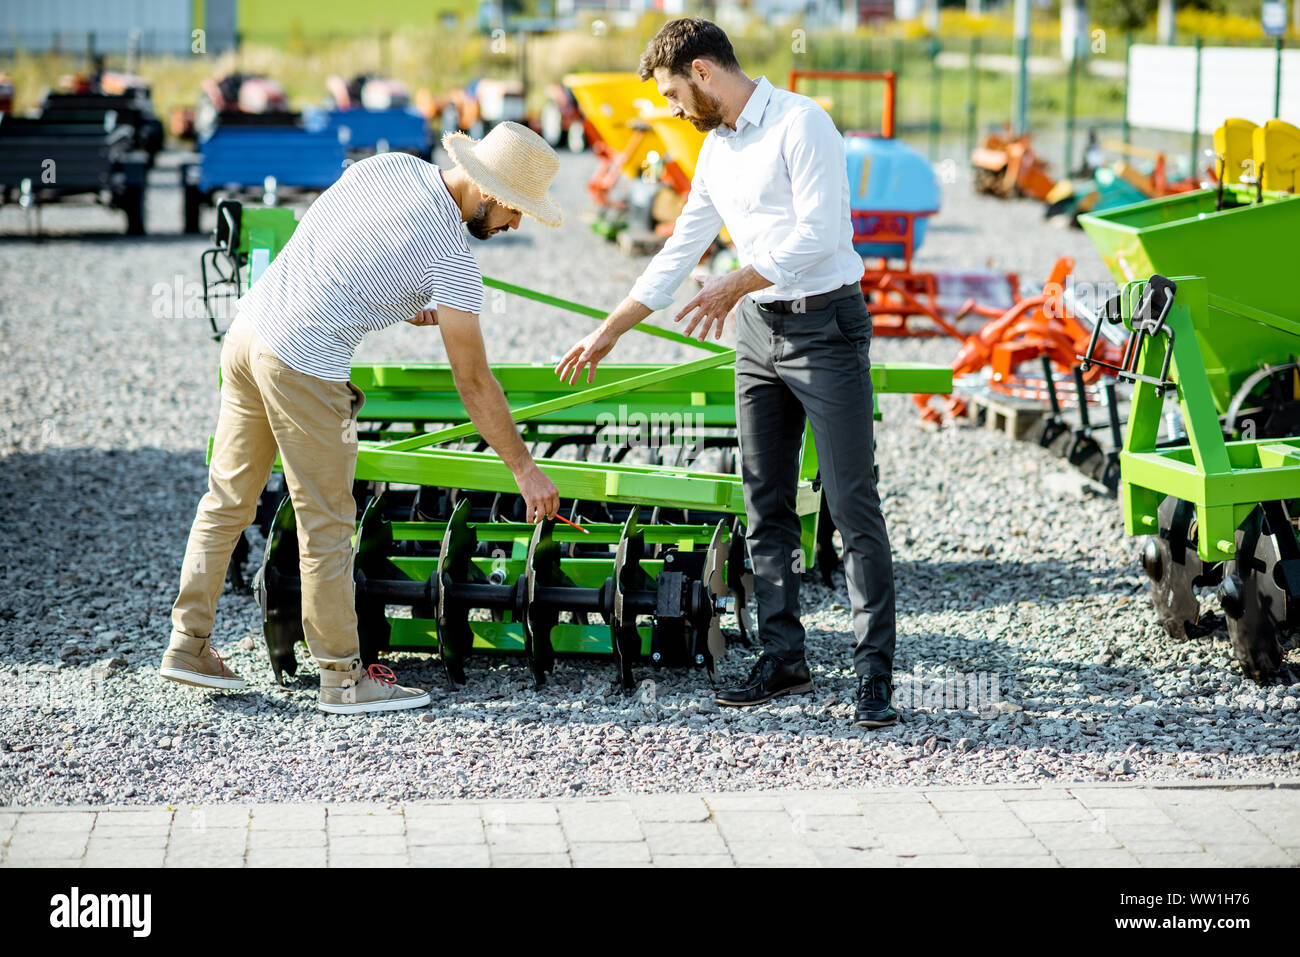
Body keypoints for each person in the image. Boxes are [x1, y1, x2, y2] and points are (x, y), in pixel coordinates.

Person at [554, 19, 899, 727]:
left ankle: (873, 676)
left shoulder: (804, 124)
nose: (675, 109)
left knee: (851, 502)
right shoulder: (715, 147)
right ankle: (785, 658)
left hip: (826, 327)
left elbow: (822, 231)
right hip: (756, 333)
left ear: (705, 73)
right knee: (763, 503)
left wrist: (737, 281)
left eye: (676, 93)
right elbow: (681, 247)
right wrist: (610, 330)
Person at [161, 122, 564, 714]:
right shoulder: (452, 258)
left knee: (226, 499)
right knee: (325, 521)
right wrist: (525, 469)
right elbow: (474, 383)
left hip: (250, 333)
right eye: (516, 212)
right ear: (490, 193)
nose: (514, 226)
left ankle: (187, 645)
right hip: (303, 362)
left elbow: (341, 243)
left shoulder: (392, 166)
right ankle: (343, 678)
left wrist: (399, 299)